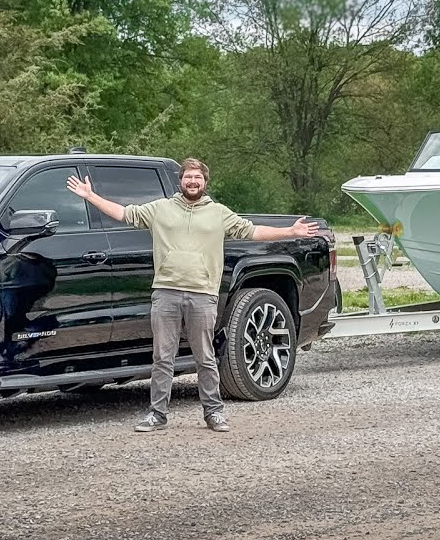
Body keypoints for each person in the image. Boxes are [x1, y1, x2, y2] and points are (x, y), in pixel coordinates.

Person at [66, 158, 318, 433]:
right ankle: (157, 414)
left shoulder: (219, 213)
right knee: (162, 357)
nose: (193, 182)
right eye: (188, 177)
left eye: (198, 177)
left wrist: (290, 231)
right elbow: (124, 213)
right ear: (181, 181)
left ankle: (214, 413)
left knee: (205, 357)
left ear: (205, 182)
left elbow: (253, 231)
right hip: (166, 293)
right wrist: (91, 196)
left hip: (202, 294)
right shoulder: (159, 209)